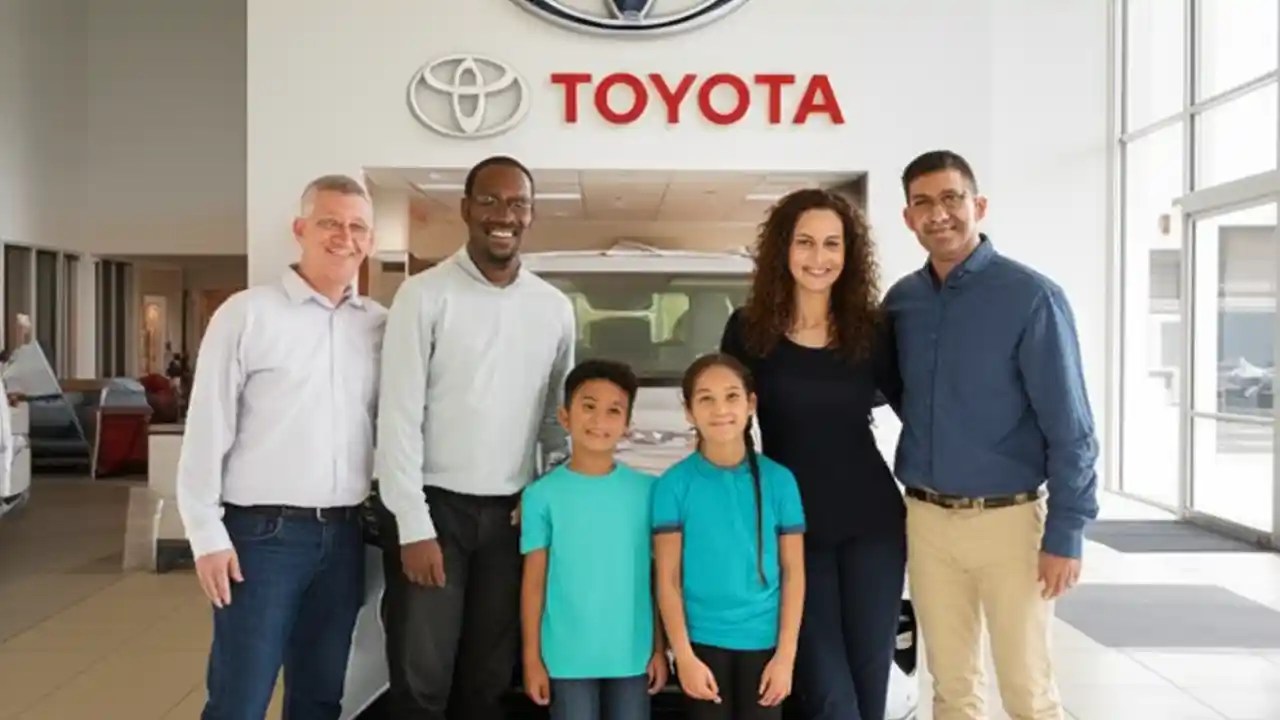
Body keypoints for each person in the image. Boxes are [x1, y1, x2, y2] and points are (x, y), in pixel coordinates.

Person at [884, 149, 1099, 720]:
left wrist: (1067, 532)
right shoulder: (902, 302)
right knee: (951, 689)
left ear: (977, 205)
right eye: (923, 203)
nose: (939, 215)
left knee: (1028, 690)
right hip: (927, 520)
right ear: (908, 218)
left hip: (1010, 525)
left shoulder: (1031, 297)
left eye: (951, 199)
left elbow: (1072, 428)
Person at [175, 174, 386, 719]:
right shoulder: (248, 314)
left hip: (343, 536)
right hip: (260, 539)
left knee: (320, 697)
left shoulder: (379, 326)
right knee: (240, 698)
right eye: (330, 223)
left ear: (371, 239)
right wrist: (205, 535)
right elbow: (206, 428)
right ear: (300, 229)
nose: (345, 236)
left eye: (357, 226)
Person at [375, 155, 577, 719]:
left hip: (511, 520)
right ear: (466, 209)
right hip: (434, 514)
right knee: (421, 681)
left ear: (531, 214)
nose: (503, 215)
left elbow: (552, 425)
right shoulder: (423, 295)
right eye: (489, 200)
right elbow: (397, 417)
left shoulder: (554, 309)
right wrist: (413, 526)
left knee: (488, 681)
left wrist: (543, 502)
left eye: (517, 203)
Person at [720, 188, 904, 720]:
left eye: (831, 244)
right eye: (804, 243)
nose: (818, 257)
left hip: (874, 525)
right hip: (795, 533)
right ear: (783, 249)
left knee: (870, 689)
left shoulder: (872, 330)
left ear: (849, 254)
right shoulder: (749, 330)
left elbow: (921, 412)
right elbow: (728, 431)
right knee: (828, 693)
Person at [652, 353, 806, 720]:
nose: (720, 409)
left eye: (732, 396)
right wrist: (683, 656)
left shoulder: (780, 481)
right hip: (702, 642)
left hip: (764, 642)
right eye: (706, 398)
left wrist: (785, 657)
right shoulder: (673, 485)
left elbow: (793, 573)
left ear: (751, 403)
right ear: (689, 411)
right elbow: (668, 578)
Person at [519, 358, 669, 720]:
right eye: (588, 407)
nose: (600, 421)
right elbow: (534, 583)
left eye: (613, 411)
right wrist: (532, 659)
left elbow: (659, 578)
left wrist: (659, 648)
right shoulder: (541, 495)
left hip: (632, 654)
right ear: (566, 416)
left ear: (627, 425)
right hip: (566, 657)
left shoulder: (648, 492)